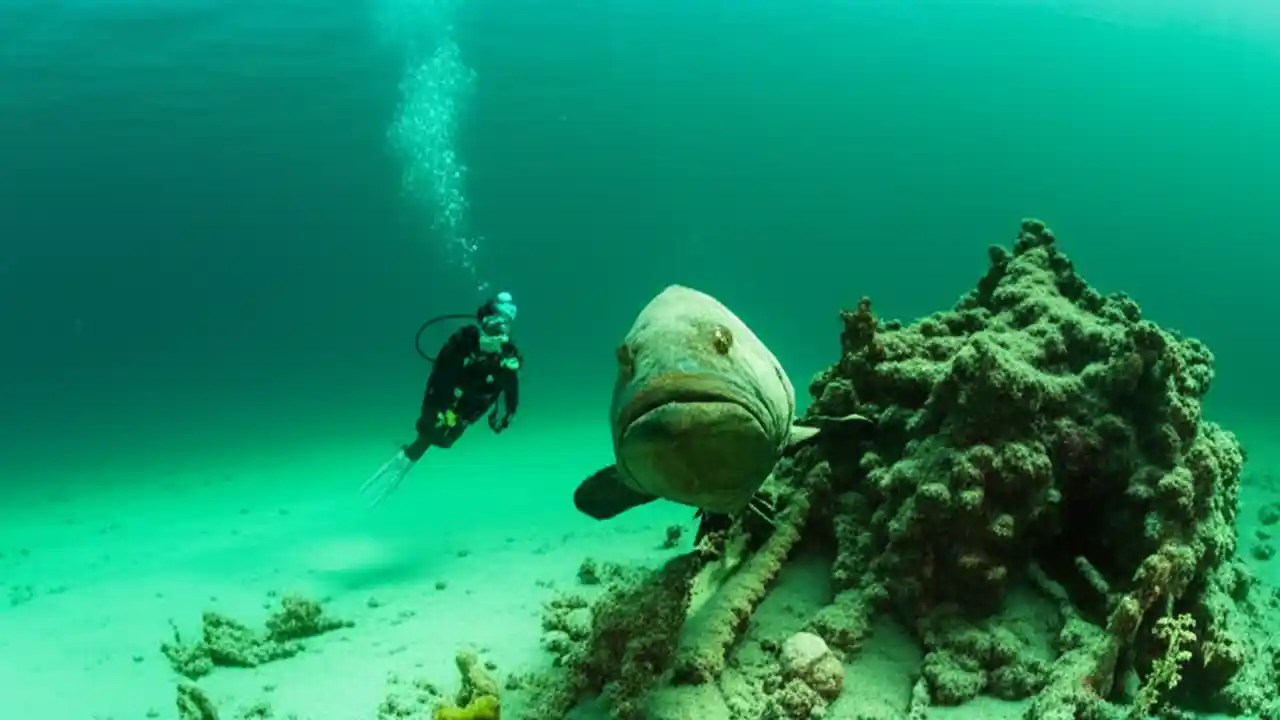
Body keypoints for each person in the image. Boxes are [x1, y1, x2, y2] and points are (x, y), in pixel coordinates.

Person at [361, 291, 522, 505]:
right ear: (483, 322)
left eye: (504, 326)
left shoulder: (507, 356)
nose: (498, 333)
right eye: (494, 325)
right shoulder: (462, 345)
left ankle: (406, 459)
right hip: (447, 405)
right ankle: (404, 461)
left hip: (466, 410)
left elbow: (510, 388)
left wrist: (508, 413)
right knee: (432, 433)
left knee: (443, 440)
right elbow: (440, 379)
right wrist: (438, 411)